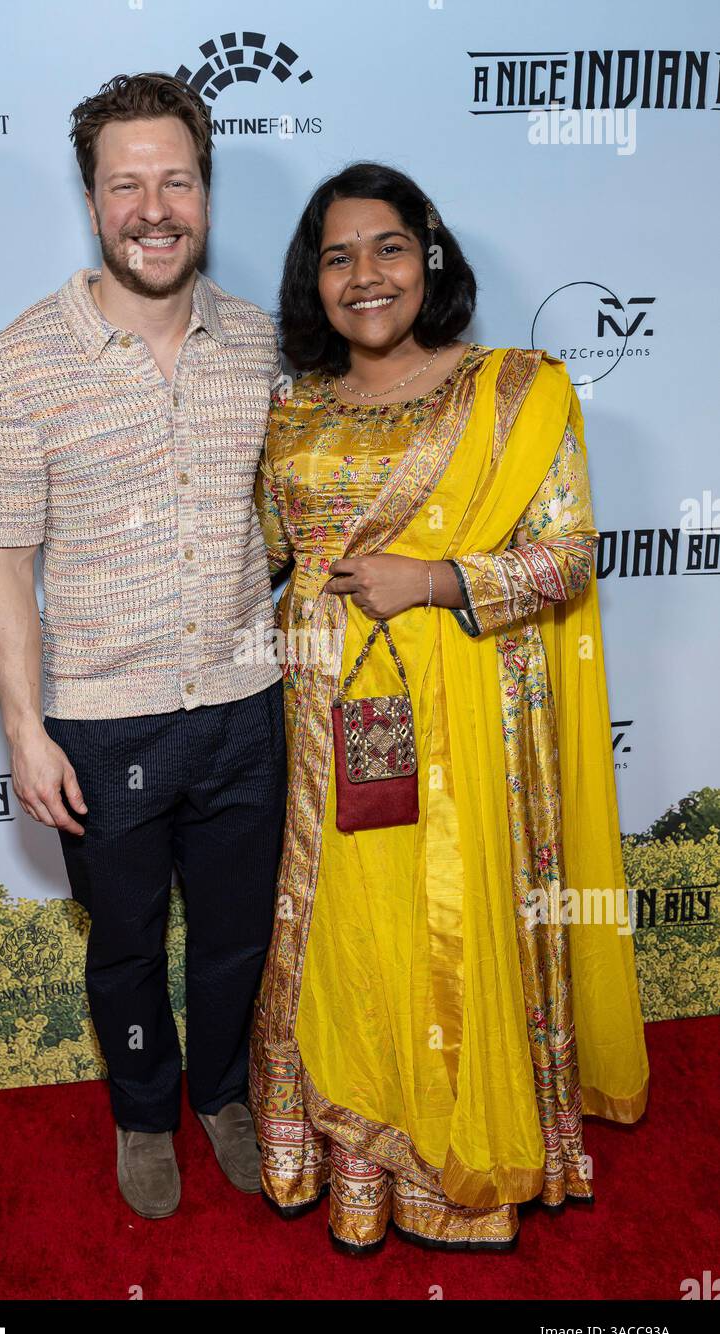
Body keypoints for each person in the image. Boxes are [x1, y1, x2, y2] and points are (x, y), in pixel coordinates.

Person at [249, 161, 649, 1253]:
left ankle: (450, 1167)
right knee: (341, 929)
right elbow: (268, 560)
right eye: (336, 257)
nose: (364, 276)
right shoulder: (291, 413)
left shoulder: (516, 391)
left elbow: (566, 557)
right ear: (312, 279)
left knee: (449, 920)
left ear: (427, 257)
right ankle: (351, 1166)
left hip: (467, 714)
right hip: (327, 717)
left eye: (386, 247)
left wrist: (430, 581)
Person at [0, 73, 287, 1220]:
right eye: (125, 184)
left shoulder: (262, 344)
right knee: (127, 947)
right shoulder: (17, 360)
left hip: (249, 706)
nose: (154, 208)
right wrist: (24, 730)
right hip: (103, 722)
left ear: (206, 189)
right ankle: (145, 1112)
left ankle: (225, 1095)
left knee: (239, 938)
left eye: (175, 180)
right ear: (92, 200)